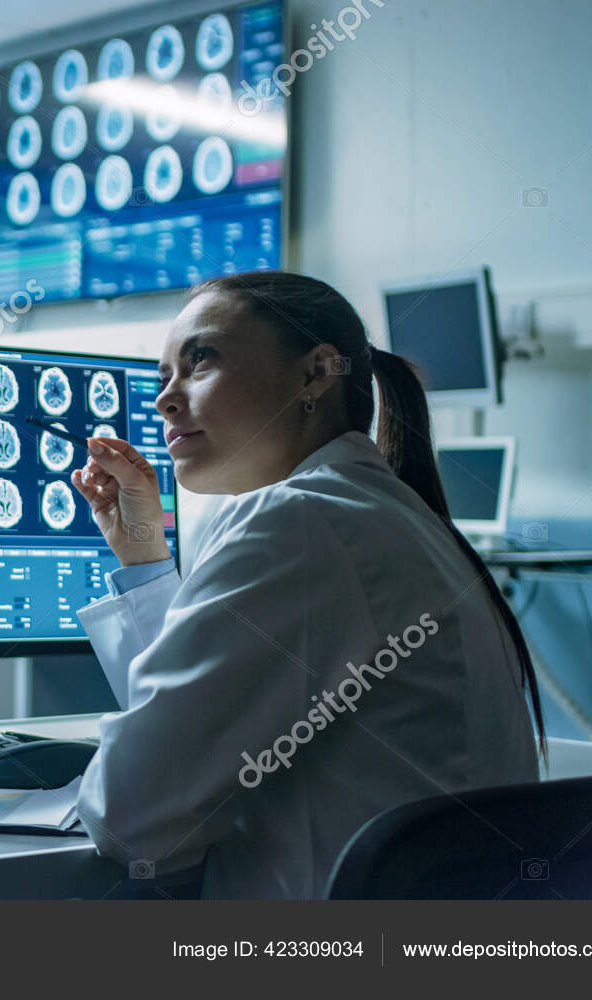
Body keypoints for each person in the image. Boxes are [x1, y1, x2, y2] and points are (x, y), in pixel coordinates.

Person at [68, 271, 544, 899]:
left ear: (317, 372)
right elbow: (199, 725)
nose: (166, 399)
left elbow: (129, 819)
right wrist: (144, 558)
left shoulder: (299, 522)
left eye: (200, 359)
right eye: (163, 378)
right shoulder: (377, 513)